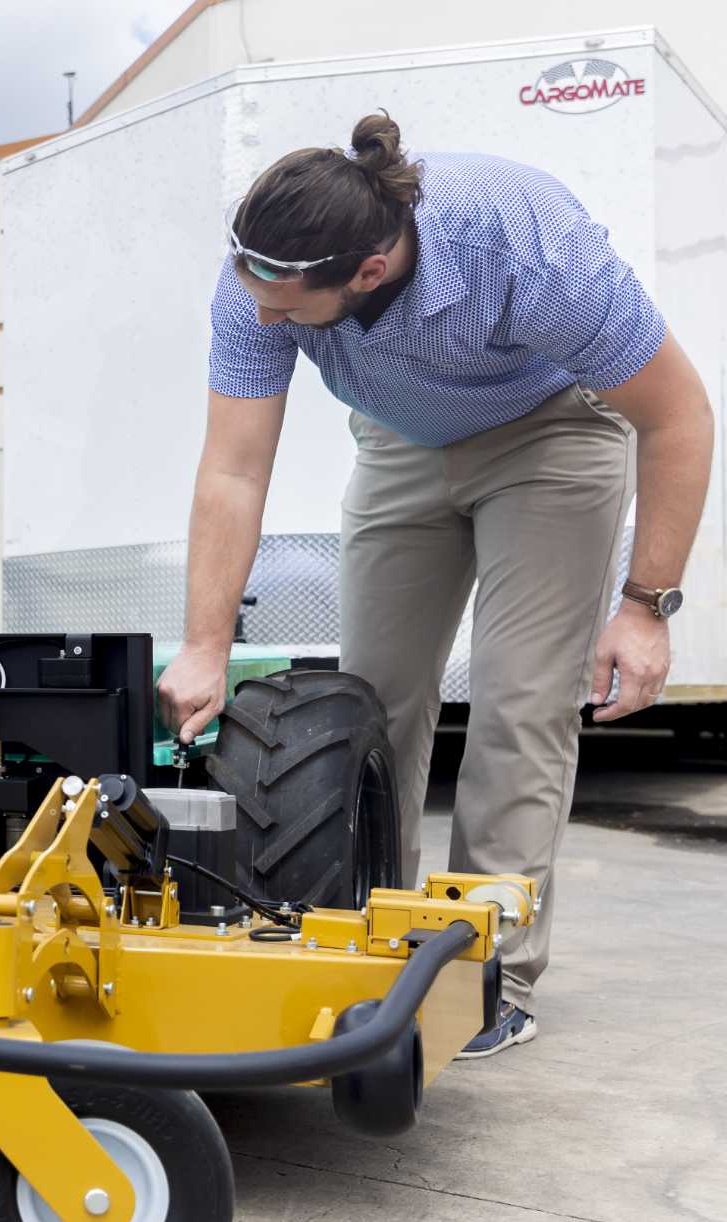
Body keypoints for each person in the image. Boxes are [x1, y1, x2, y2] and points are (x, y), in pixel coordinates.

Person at [157, 113, 714, 1057]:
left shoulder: (523, 246)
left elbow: (680, 416)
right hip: (399, 442)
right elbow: (234, 471)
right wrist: (206, 642)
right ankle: (361, 944)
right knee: (369, 704)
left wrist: (644, 605)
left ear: (367, 272)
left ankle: (487, 972)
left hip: (550, 435)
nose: (261, 316)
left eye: (288, 308)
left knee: (519, 698)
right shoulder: (260, 273)